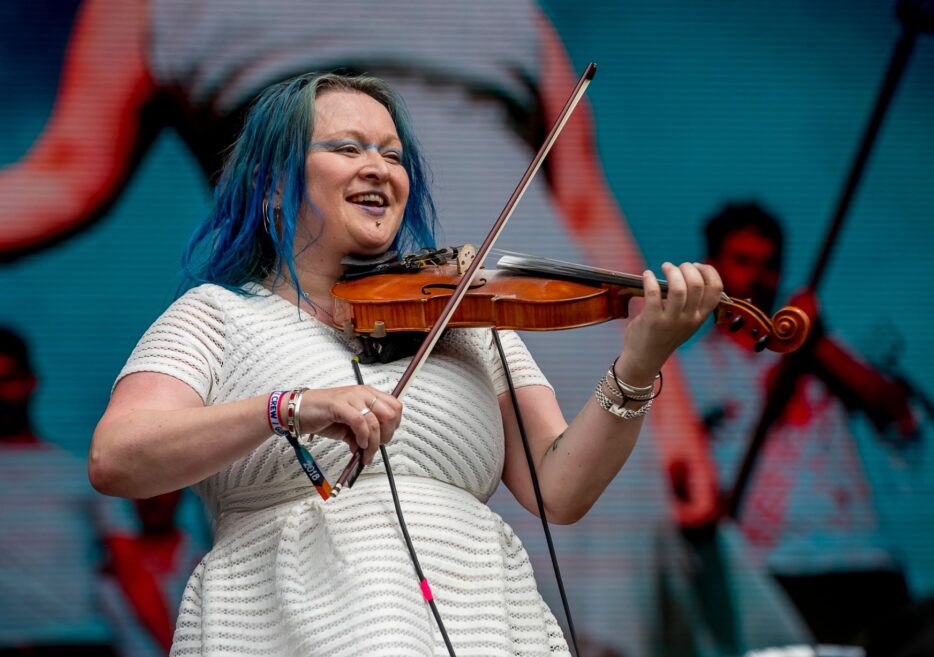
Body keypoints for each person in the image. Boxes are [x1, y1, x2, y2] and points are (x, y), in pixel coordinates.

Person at [2, 4, 722, 654]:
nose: (379, 167)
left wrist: (641, 362)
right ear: (276, 185)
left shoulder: (466, 325)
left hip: (480, 623)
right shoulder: (217, 315)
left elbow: (559, 490)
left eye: (393, 153)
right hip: (284, 624)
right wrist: (292, 408)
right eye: (346, 147)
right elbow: (116, 457)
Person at [681, 202, 916, 646]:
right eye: (743, 261)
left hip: (865, 560)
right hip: (772, 570)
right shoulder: (690, 374)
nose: (760, 277)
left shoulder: (827, 350)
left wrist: (814, 341)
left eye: (771, 264)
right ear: (712, 267)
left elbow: (895, 413)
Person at [0, 327, 115, 656]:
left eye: (7, 380)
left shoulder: (76, 473)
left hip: (74, 642)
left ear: (29, 382)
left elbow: (128, 561)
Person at [100, 491, 206, 657]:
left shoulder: (201, 560)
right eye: (146, 489)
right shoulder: (111, 559)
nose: (155, 499)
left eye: (164, 490)